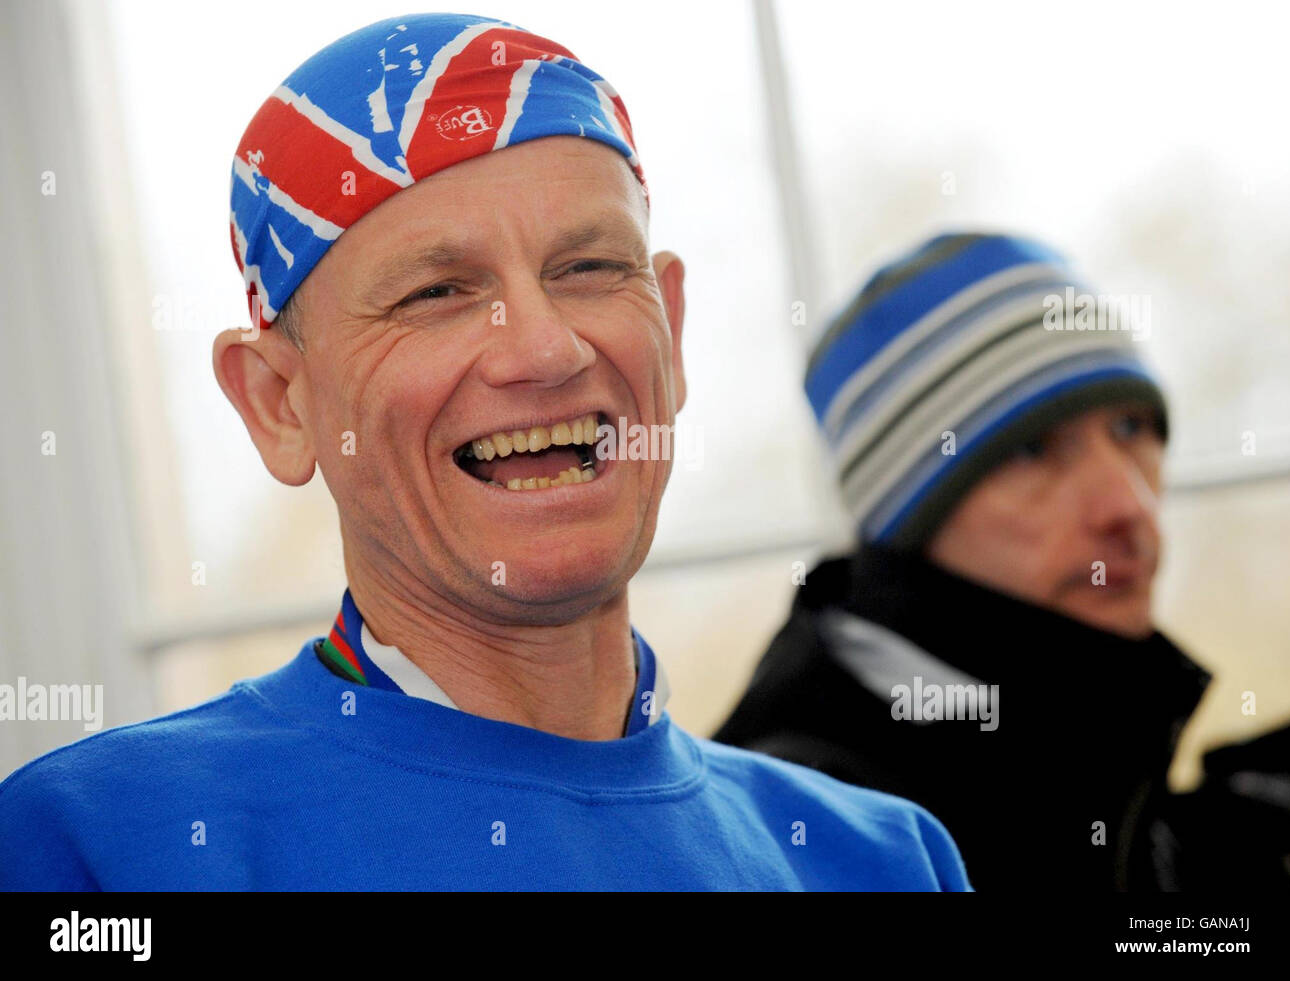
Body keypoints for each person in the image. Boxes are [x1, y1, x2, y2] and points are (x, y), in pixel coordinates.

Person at [0, 13, 969, 891]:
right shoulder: (105, 847)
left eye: (589, 269)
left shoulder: (878, 861)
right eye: (437, 292)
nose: (545, 348)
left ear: (668, 330)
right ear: (279, 401)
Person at [713, 231, 1215, 891]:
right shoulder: (807, 834)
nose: (1130, 503)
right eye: (1033, 449)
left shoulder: (1068, 715)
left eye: (1131, 430)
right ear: (909, 515)